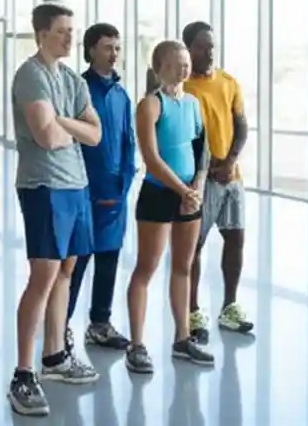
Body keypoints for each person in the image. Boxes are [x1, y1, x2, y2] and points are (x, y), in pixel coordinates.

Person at [7, 2, 102, 418]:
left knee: (68, 270)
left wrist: (61, 121)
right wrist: (67, 126)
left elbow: (95, 135)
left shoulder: (69, 78)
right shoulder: (31, 75)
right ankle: (24, 373)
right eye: (63, 31)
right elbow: (46, 138)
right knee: (43, 276)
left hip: (76, 185)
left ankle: (54, 356)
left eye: (72, 31)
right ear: (42, 34)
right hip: (43, 186)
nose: (70, 38)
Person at [124, 40, 213, 375]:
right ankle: (137, 345)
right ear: (159, 67)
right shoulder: (150, 104)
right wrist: (182, 190)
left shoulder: (193, 103)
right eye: (176, 63)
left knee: (184, 267)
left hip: (191, 194)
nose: (184, 68)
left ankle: (182, 338)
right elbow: (151, 158)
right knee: (146, 269)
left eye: (186, 62)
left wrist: (198, 186)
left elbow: (202, 150)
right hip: (161, 194)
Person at [65, 23, 137, 352]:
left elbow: (127, 141)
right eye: (108, 47)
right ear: (92, 49)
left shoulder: (121, 95)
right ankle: (60, 325)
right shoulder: (78, 89)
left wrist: (124, 182)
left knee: (109, 258)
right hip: (83, 191)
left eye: (117, 48)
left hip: (115, 194)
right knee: (75, 262)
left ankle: (100, 323)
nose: (114, 54)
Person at [181, 21, 254, 341]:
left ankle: (229, 306)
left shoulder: (228, 82)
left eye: (211, 46)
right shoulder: (183, 88)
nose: (208, 52)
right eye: (200, 46)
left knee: (235, 239)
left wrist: (230, 162)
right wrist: (207, 170)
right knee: (193, 247)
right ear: (188, 49)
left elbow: (241, 125)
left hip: (231, 177)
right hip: (201, 181)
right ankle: (193, 310)